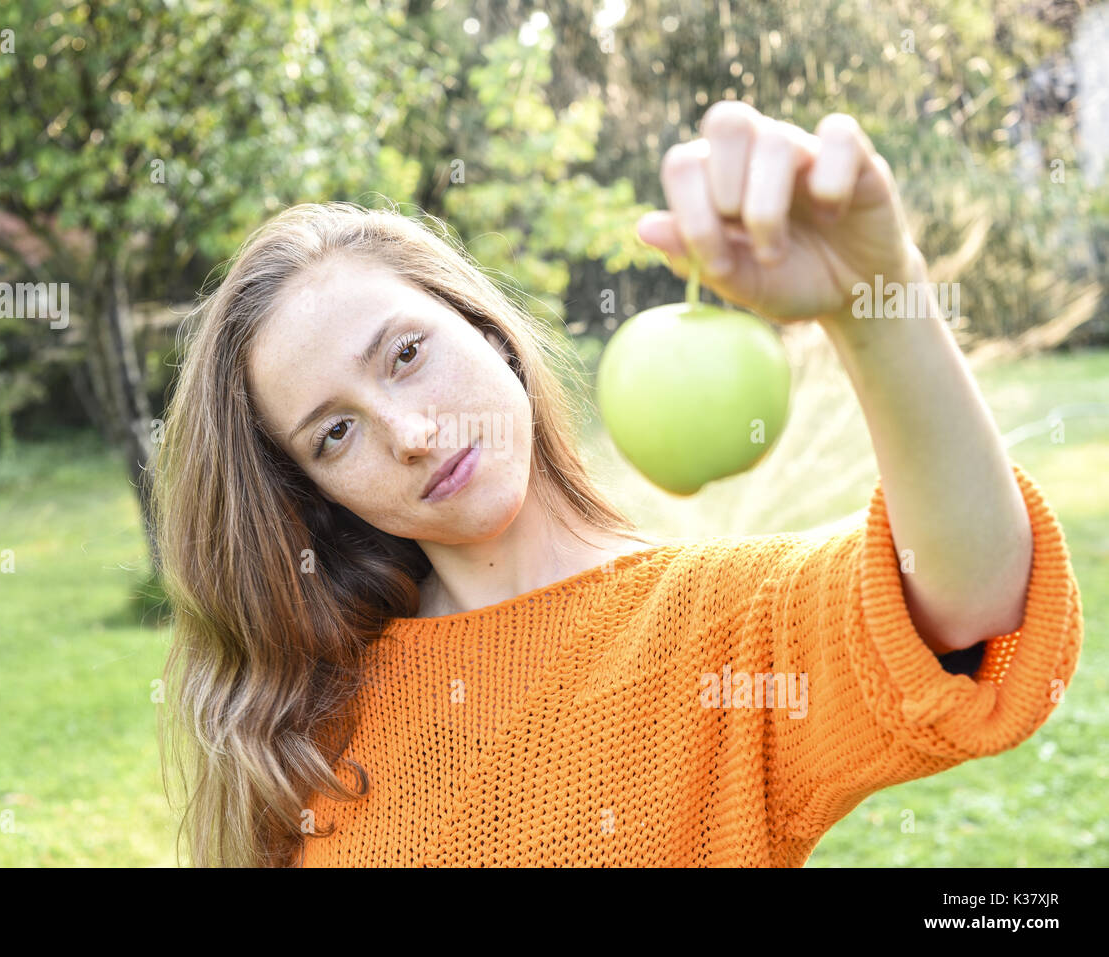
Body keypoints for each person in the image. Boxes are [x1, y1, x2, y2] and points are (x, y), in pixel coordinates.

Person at [151, 101, 1083, 868]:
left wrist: (876, 298)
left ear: (486, 327)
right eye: (336, 432)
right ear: (318, 495)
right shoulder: (310, 713)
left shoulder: (717, 629)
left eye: (406, 353)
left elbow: (971, 591)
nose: (413, 434)